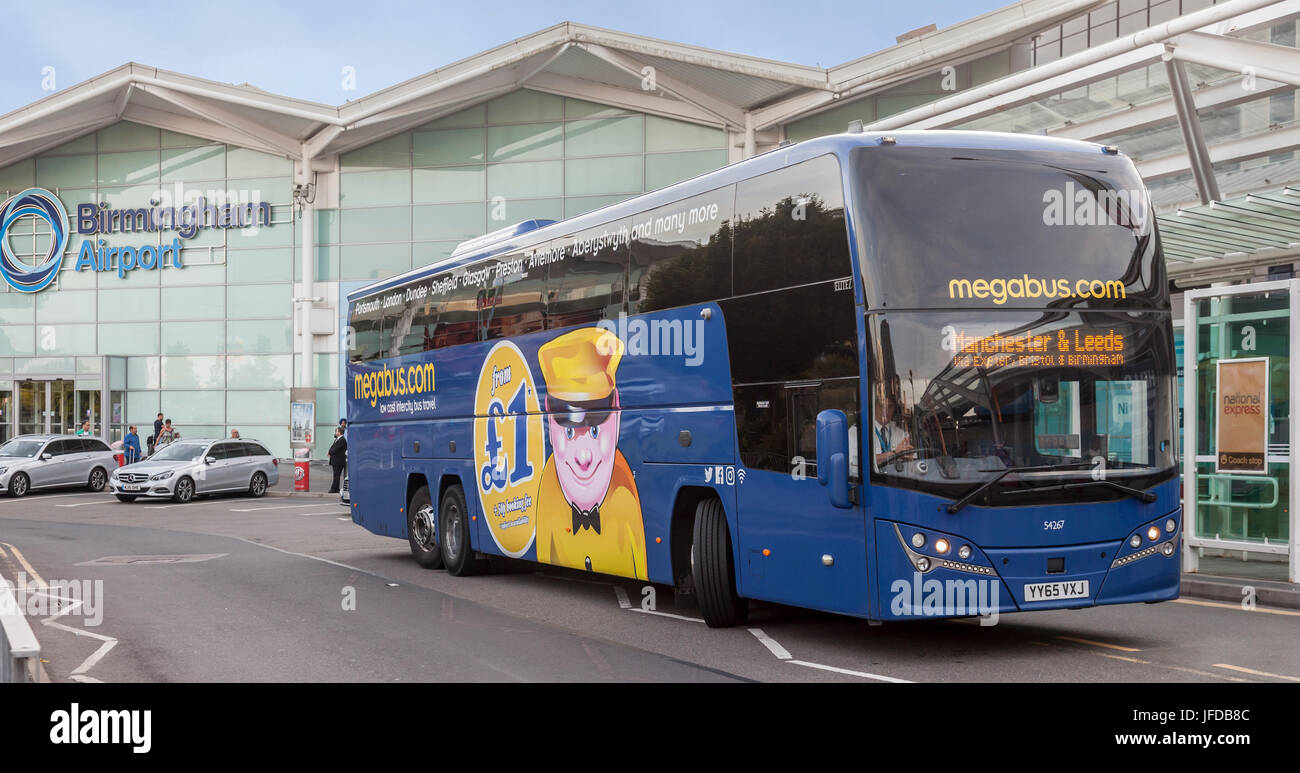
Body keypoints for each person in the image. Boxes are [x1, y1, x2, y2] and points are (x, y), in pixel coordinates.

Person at [872, 383, 912, 467]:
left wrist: (909, 455)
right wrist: (894, 454)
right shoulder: (857, 432)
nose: (885, 411)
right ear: (874, 407)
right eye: (882, 406)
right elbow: (858, 461)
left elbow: (912, 459)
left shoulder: (902, 434)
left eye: (889, 407)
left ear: (894, 409)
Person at [327, 427, 347, 493]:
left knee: (336, 475)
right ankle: (336, 488)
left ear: (339, 432)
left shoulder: (342, 440)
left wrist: (330, 452)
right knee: (336, 475)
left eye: (336, 431)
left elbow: (336, 449)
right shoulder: (337, 439)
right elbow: (332, 447)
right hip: (336, 460)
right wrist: (329, 452)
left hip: (339, 461)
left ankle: (333, 488)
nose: (335, 433)